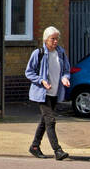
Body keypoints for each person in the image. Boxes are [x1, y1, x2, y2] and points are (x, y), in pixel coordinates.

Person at [25, 26, 71, 160]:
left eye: (57, 39)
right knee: (50, 120)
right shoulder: (38, 53)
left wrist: (65, 78)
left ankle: (34, 146)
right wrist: (41, 81)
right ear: (46, 39)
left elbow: (66, 70)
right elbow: (29, 72)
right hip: (42, 93)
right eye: (53, 39)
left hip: (55, 92)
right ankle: (58, 150)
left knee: (44, 121)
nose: (56, 41)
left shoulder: (61, 53)